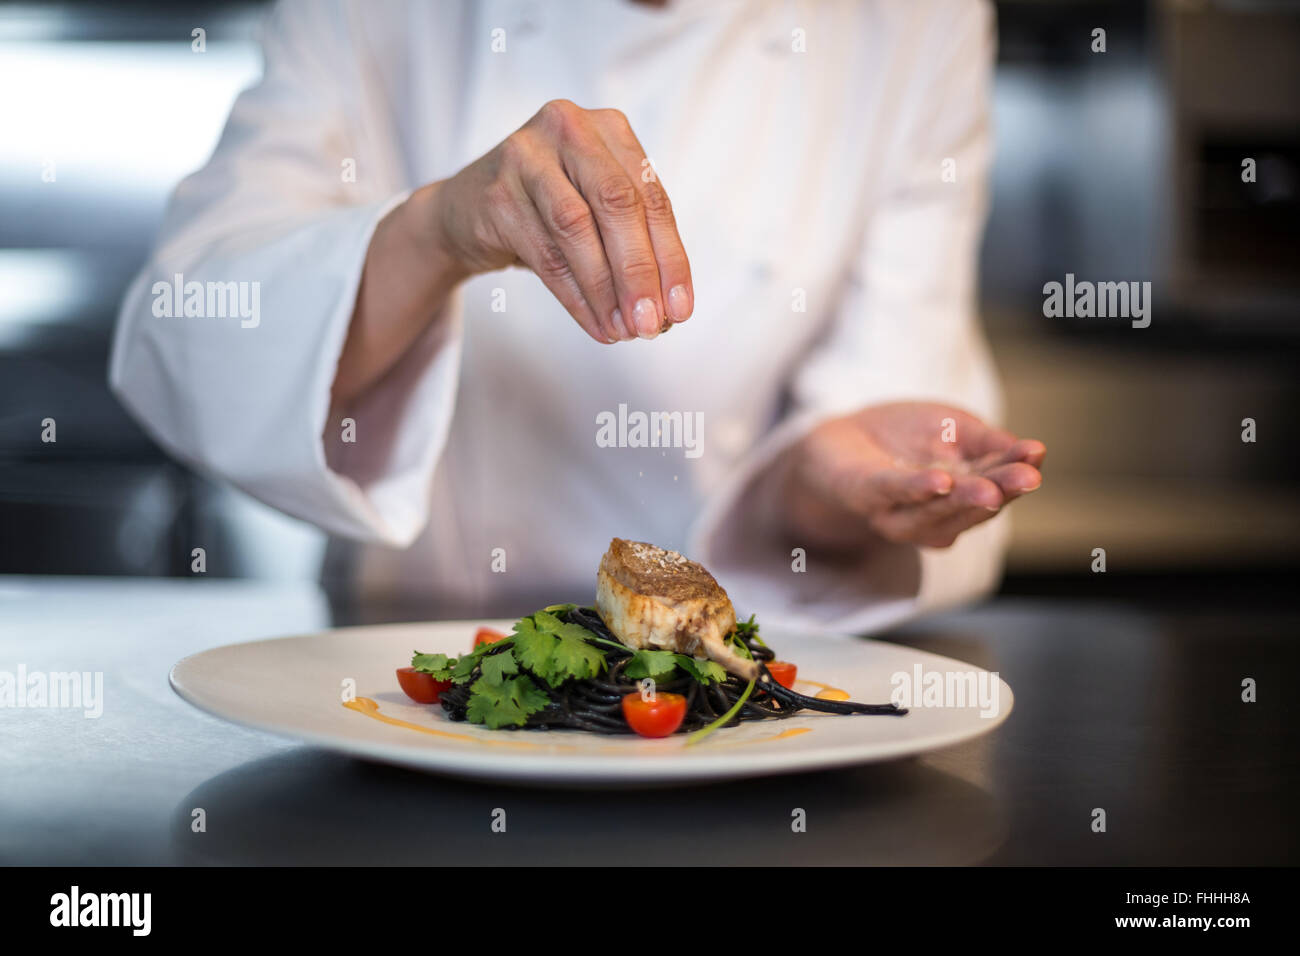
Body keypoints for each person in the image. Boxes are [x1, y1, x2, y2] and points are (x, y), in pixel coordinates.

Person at [110, 0, 1045, 633]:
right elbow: (186, 336)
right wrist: (440, 230)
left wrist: (827, 482)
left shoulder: (919, 21)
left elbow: (881, 401)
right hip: (421, 683)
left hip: (750, 703)